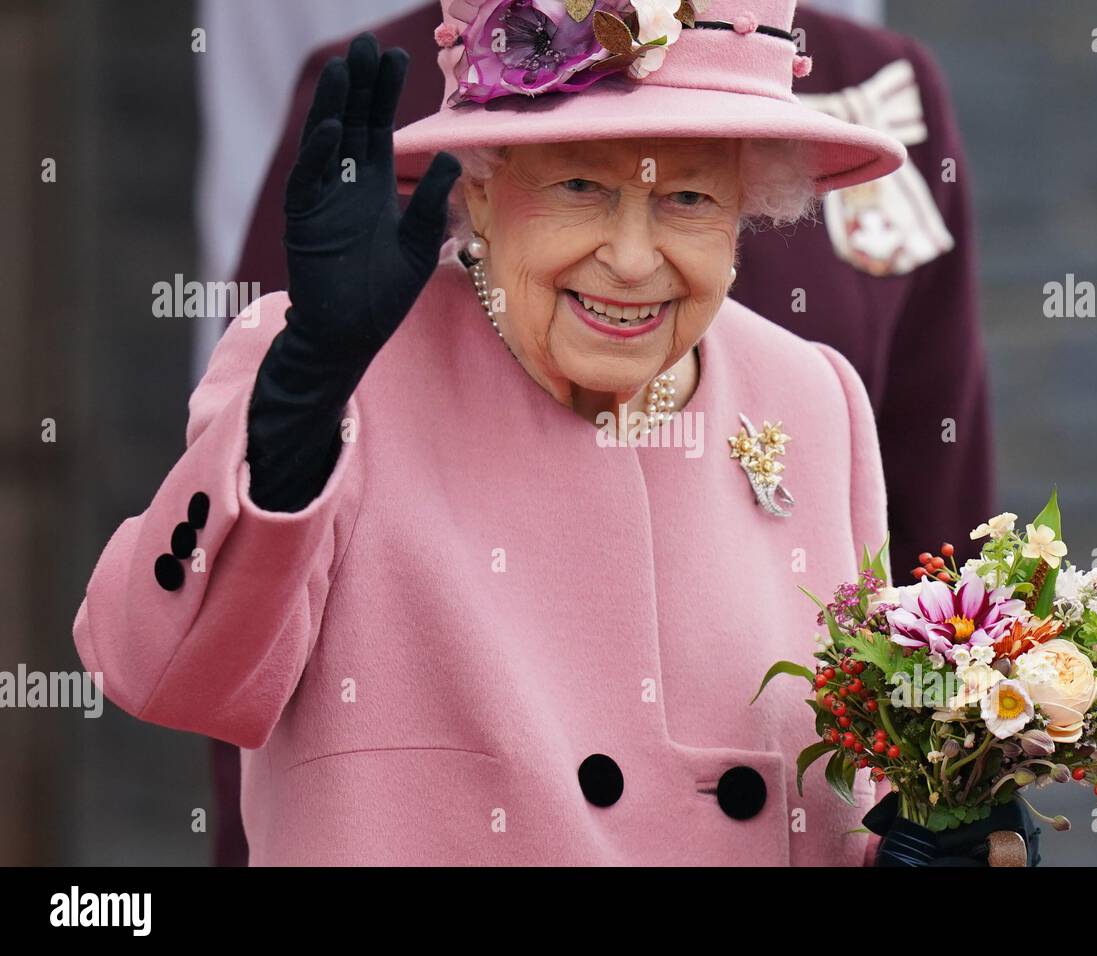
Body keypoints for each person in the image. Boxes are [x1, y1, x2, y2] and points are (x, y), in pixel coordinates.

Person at [74, 0, 934, 865]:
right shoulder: (342, 373)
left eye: (688, 197)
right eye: (580, 187)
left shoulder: (814, 399)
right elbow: (162, 676)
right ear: (478, 188)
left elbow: (855, 796)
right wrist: (301, 407)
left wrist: (929, 844)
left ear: (746, 210)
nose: (633, 259)